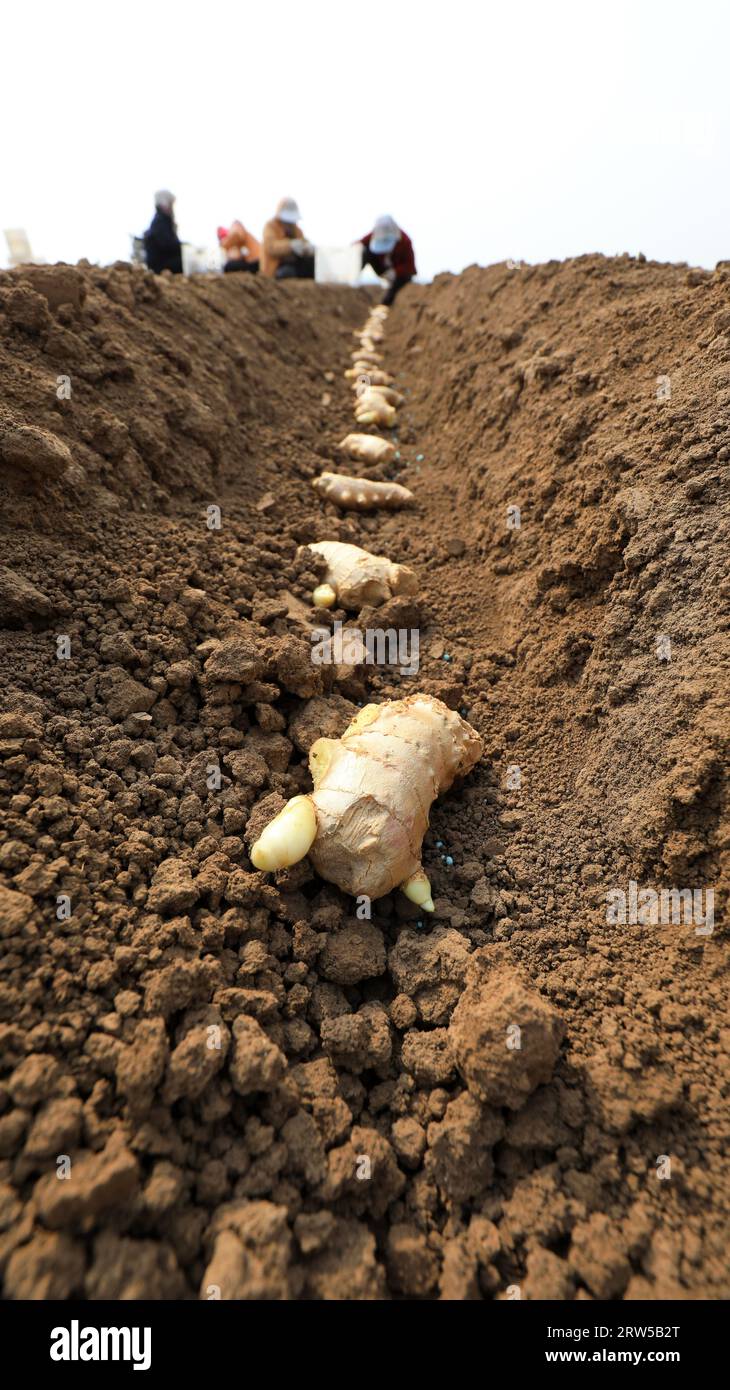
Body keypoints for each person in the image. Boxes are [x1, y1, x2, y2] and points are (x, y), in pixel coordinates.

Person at [359, 215, 416, 305]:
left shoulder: (405, 241)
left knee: (403, 280)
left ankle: (387, 303)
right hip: (382, 269)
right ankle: (352, 278)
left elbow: (410, 267)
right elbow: (358, 245)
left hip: (397, 274)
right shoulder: (374, 235)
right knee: (364, 252)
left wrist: (395, 272)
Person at [261, 197, 315, 280]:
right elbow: (270, 247)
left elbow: (302, 241)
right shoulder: (270, 227)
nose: (289, 224)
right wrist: (291, 245)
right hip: (276, 270)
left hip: (294, 266)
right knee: (286, 272)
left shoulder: (296, 230)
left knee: (311, 264)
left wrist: (307, 247)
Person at [143, 190, 183, 275]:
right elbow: (167, 244)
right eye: (171, 204)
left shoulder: (162, 220)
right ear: (165, 204)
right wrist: (183, 248)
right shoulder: (160, 221)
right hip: (161, 267)